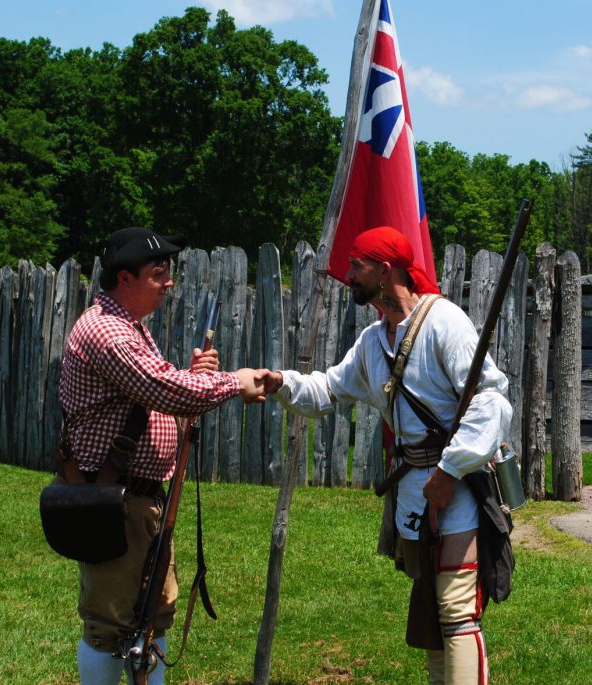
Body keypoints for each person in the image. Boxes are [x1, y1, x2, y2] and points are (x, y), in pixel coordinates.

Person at [255, 226, 512, 685]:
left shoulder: (444, 322)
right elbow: (330, 389)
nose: (349, 274)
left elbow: (491, 401)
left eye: (358, 265)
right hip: (414, 492)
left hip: (459, 487)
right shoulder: (374, 340)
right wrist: (281, 382)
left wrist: (449, 472)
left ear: (386, 269)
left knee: (456, 610)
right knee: (432, 609)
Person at [57, 226, 264, 685]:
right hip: (112, 502)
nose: (168, 281)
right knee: (109, 622)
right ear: (124, 278)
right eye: (158, 273)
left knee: (154, 612)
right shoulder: (107, 333)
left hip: (138, 499)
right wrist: (234, 382)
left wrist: (195, 380)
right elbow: (164, 389)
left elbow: (159, 392)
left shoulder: (130, 327)